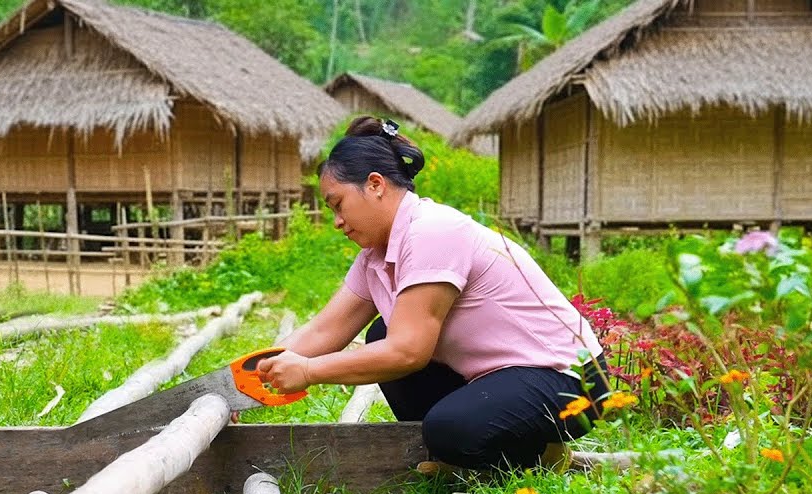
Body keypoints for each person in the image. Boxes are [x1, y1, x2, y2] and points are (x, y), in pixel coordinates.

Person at [256, 116, 608, 472]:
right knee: (381, 332)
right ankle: (481, 450)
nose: (336, 221)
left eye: (338, 204)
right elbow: (323, 331)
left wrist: (310, 371)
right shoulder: (376, 256)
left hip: (571, 379)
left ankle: (532, 454)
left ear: (375, 185)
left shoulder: (432, 231)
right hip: (502, 378)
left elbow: (409, 352)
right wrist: (247, 379)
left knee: (445, 427)